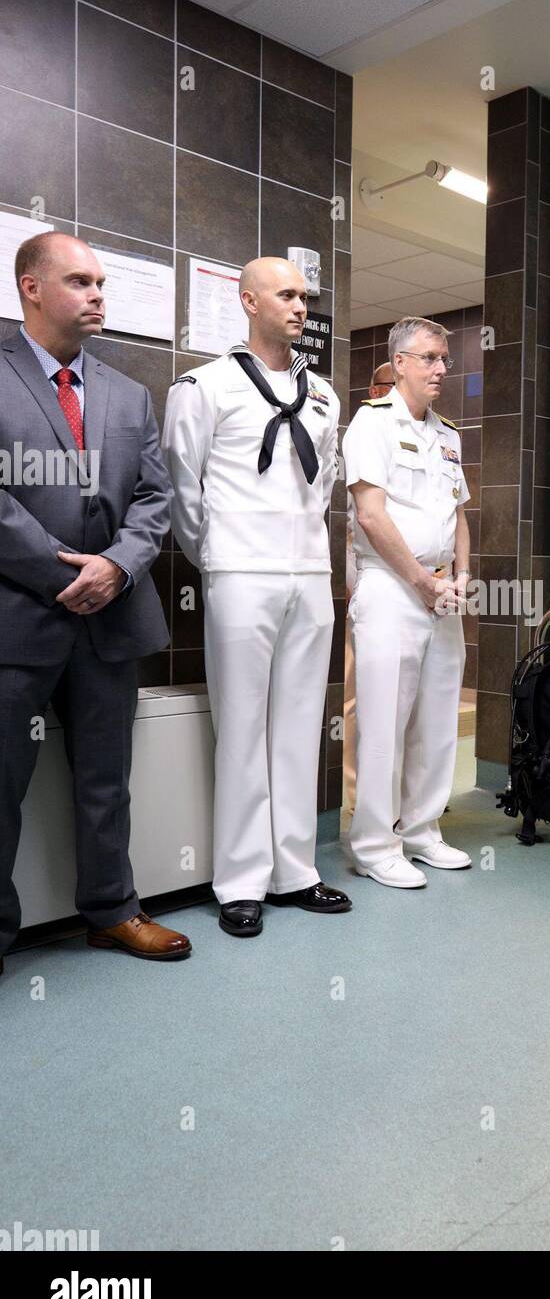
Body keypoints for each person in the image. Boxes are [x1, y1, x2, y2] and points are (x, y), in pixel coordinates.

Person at [0, 231, 188, 974]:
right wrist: (60, 572)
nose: (98, 294)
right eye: (80, 281)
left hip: (110, 619)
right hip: (17, 619)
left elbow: (155, 496)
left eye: (102, 282)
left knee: (106, 781)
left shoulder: (128, 393)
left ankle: (112, 911)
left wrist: (116, 565)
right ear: (31, 288)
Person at [162, 256, 351, 937]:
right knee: (241, 729)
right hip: (240, 574)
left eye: (306, 296)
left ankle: (294, 871)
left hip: (309, 575)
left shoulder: (325, 395)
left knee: (300, 726)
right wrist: (219, 560)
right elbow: (185, 490)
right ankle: (241, 881)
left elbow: (324, 486)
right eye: (286, 295)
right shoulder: (203, 387)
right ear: (248, 302)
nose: (301, 307)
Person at [342, 318, 470, 888]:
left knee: (437, 721)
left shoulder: (448, 435)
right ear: (398, 364)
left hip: (442, 591)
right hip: (393, 588)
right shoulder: (370, 424)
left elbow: (458, 513)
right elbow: (371, 514)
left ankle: (422, 832)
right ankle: (374, 844)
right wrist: (422, 581)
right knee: (385, 722)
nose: (441, 368)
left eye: (444, 358)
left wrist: (462, 575)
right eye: (429, 358)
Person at [342, 361, 394, 815]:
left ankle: (395, 795)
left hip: (415, 584)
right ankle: (358, 796)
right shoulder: (365, 430)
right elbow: (359, 519)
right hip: (367, 576)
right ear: (376, 387)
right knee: (359, 695)